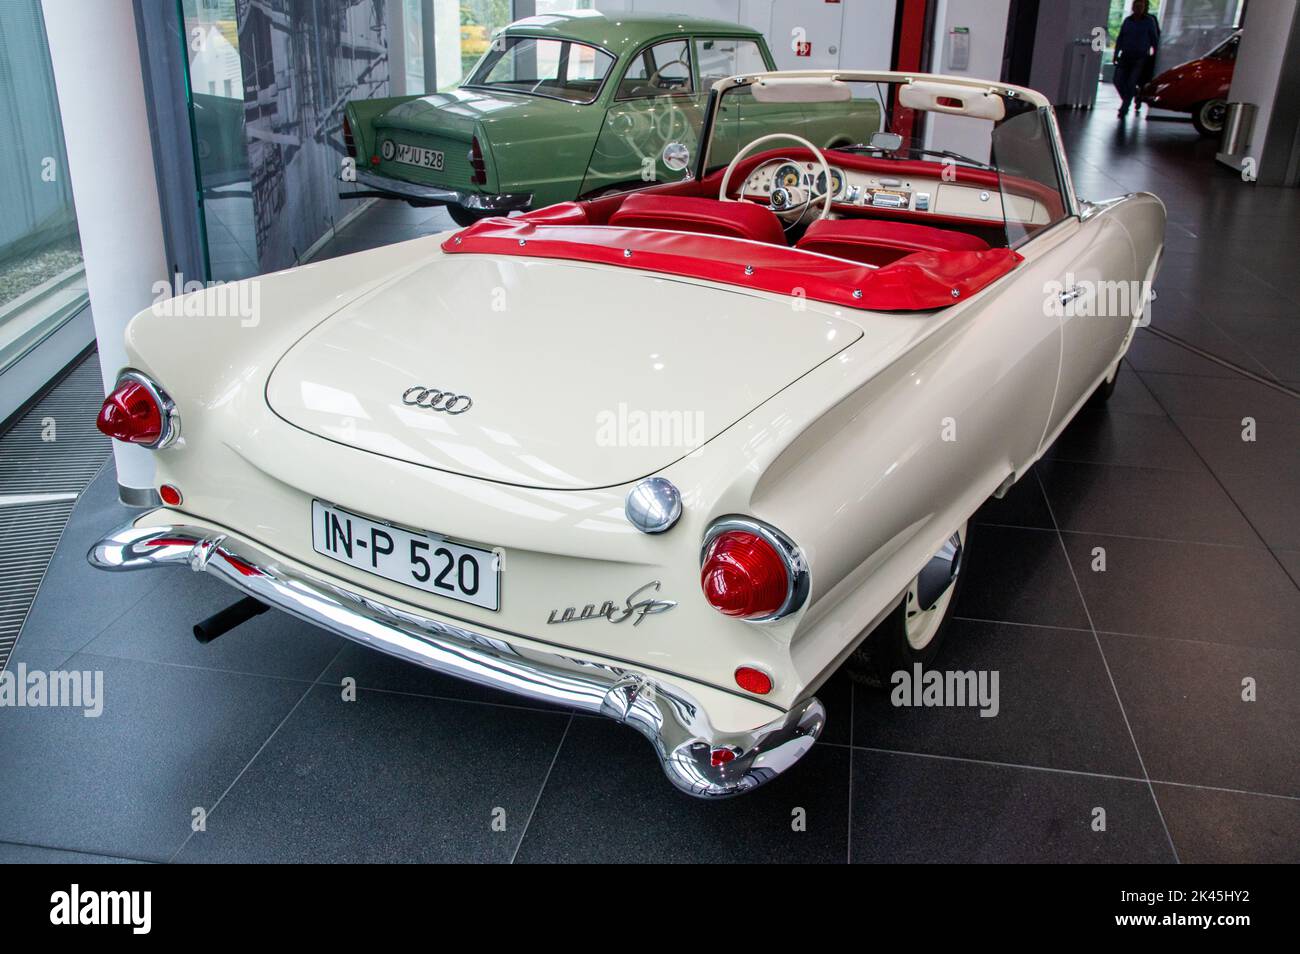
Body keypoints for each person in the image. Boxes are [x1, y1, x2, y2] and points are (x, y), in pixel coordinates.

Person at [1113, 0, 1161, 118]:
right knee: (1118, 80)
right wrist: (1116, 53)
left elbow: (1154, 39)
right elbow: (1121, 38)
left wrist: (1154, 56)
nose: (1138, 8)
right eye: (1136, 5)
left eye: (1141, 6)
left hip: (1140, 58)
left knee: (1131, 82)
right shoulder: (1128, 21)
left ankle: (1124, 106)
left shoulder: (1149, 22)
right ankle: (1134, 95)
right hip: (1125, 56)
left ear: (1144, 8)